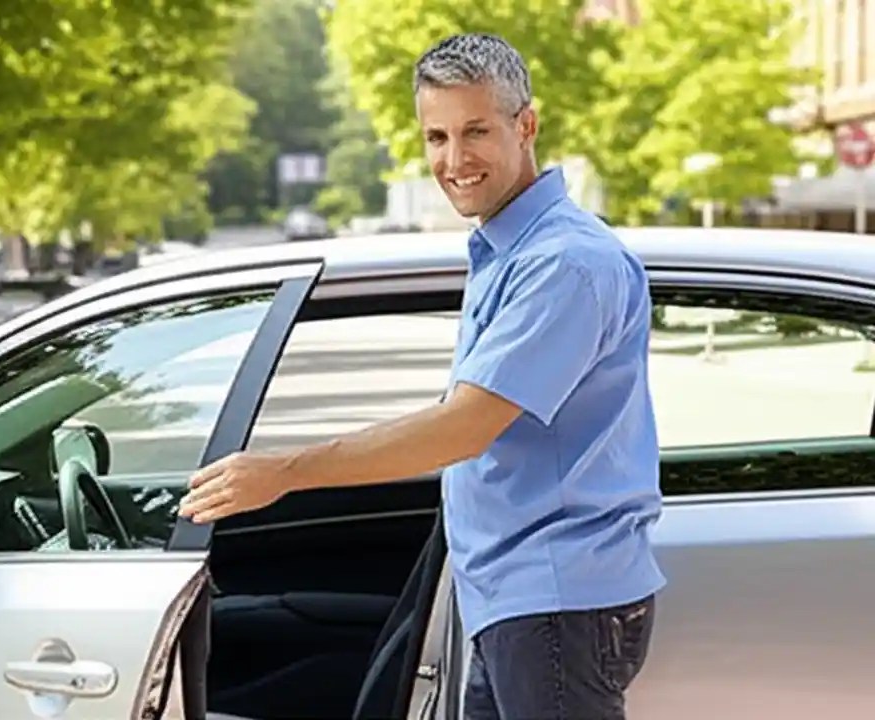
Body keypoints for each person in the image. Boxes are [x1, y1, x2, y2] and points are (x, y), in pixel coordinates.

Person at [178, 33, 664, 720]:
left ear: (526, 125)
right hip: (518, 599)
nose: (453, 160)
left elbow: (464, 428)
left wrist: (284, 472)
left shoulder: (565, 265)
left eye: (475, 132)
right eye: (436, 136)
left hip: (555, 605)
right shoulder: (512, 249)